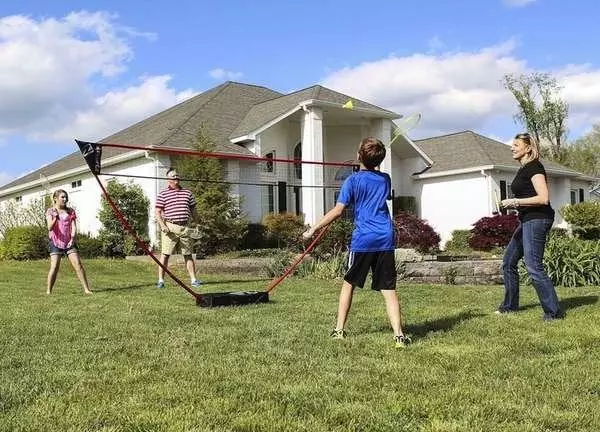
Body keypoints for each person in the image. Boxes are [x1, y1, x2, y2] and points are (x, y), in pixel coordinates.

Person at [303, 137, 410, 348]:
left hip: (363, 240)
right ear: (379, 159)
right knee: (388, 290)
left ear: (359, 156)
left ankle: (339, 330)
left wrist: (313, 229)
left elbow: (338, 210)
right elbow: (384, 196)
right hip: (385, 238)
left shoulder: (352, 181)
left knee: (348, 285)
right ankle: (398, 336)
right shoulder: (385, 179)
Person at [497, 132, 563, 321]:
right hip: (527, 220)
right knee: (509, 261)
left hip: (537, 219)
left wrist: (515, 202)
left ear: (528, 148)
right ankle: (510, 306)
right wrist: (513, 204)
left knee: (534, 267)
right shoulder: (523, 169)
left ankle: (553, 312)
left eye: (516, 145)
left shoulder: (535, 167)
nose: (512, 147)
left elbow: (543, 198)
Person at [155, 167, 203, 288]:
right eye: (173, 176)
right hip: (170, 227)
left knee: (188, 254)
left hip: (185, 228)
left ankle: (193, 280)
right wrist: (162, 225)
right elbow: (157, 212)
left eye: (177, 176)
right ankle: (161, 281)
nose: (176, 178)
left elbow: (193, 210)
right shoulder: (163, 194)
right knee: (165, 255)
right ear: (168, 179)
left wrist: (198, 223)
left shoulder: (187, 193)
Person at [46, 189, 92, 295]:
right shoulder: (50, 211)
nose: (65, 199)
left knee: (78, 265)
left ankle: (86, 289)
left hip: (69, 242)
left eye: (66, 197)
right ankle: (49, 291)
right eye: (62, 197)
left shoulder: (71, 211)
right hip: (55, 242)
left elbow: (74, 226)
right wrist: (55, 218)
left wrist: (73, 238)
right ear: (55, 199)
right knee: (54, 267)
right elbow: (49, 227)